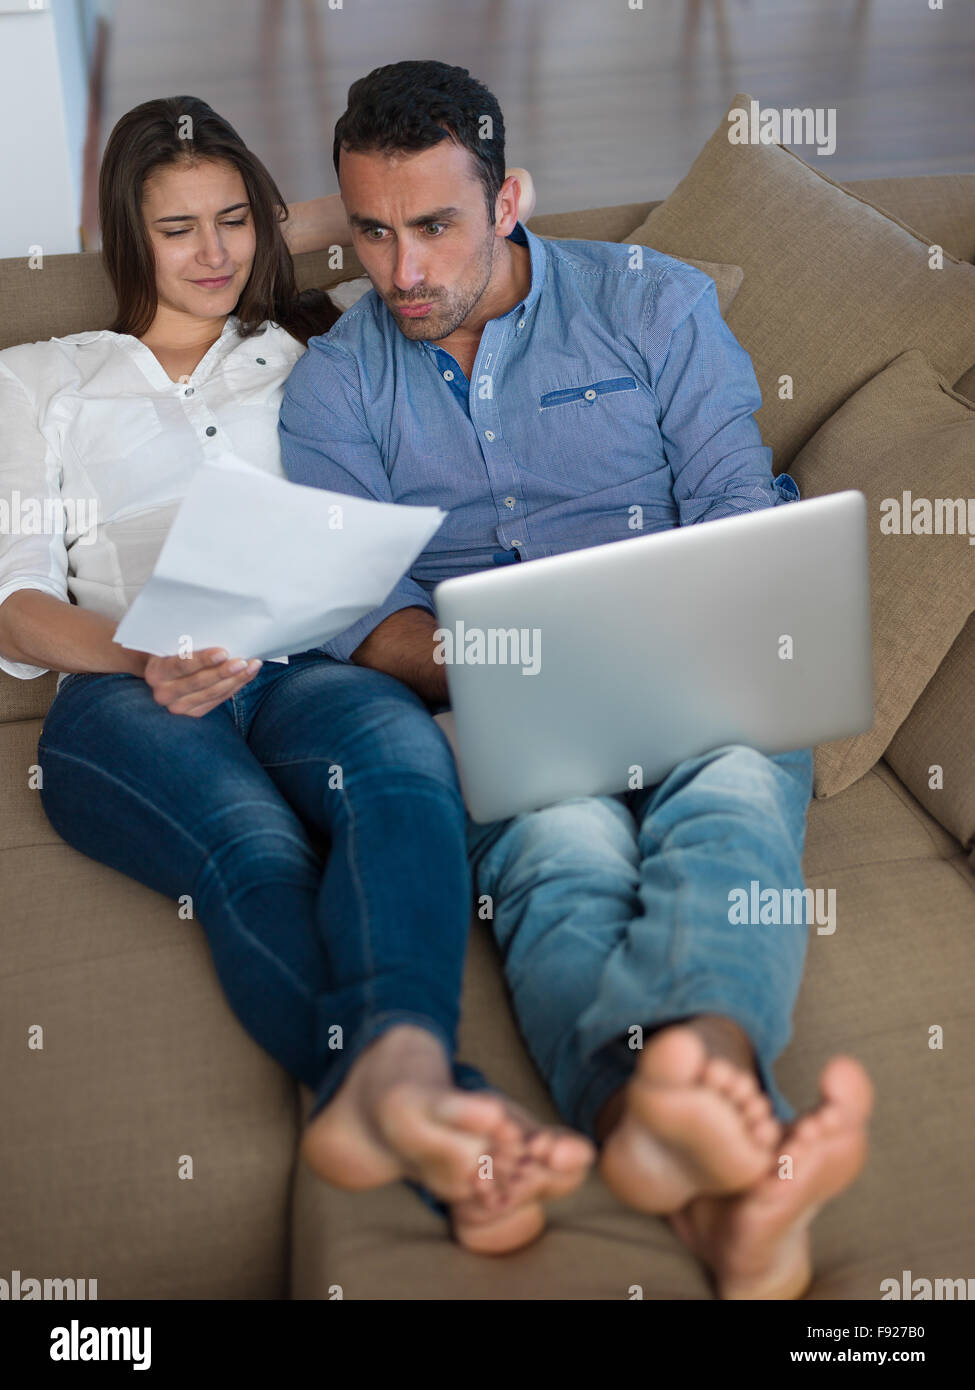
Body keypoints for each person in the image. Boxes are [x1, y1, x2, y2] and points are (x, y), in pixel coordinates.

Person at [279, 59, 875, 1300]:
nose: (405, 275)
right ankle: (715, 1163)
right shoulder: (338, 377)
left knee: (725, 810)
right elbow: (352, 609)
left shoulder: (654, 306)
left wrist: (662, 637)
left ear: (510, 203)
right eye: (373, 234)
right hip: (502, 702)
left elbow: (732, 515)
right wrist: (491, 657)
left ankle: (684, 1088)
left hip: (700, 672)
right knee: (563, 854)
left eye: (436, 226)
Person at [0, 94, 596, 1256]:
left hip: (296, 663)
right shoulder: (41, 377)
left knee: (402, 767)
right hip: (119, 692)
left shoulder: (312, 341)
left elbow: (438, 211)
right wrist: (141, 654)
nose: (214, 254)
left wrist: (267, 225)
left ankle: (403, 1090)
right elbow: (13, 598)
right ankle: (436, 1098)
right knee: (256, 847)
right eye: (176, 230)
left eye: (237, 221)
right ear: (126, 238)